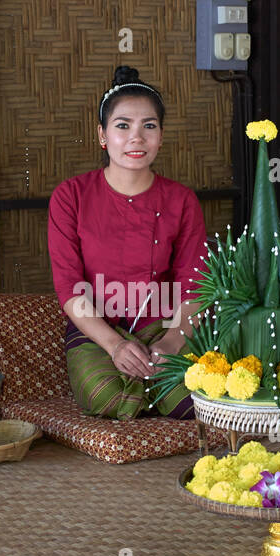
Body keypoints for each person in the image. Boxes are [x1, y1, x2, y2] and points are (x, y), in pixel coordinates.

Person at [47, 66, 206, 420]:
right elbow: (70, 291)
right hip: (98, 330)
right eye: (123, 126)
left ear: (161, 136)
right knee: (105, 396)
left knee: (194, 401)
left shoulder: (181, 201)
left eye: (148, 126)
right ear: (103, 135)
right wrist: (116, 345)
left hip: (164, 324)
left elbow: (193, 286)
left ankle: (157, 387)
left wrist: (171, 342)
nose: (137, 137)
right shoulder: (71, 196)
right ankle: (146, 390)